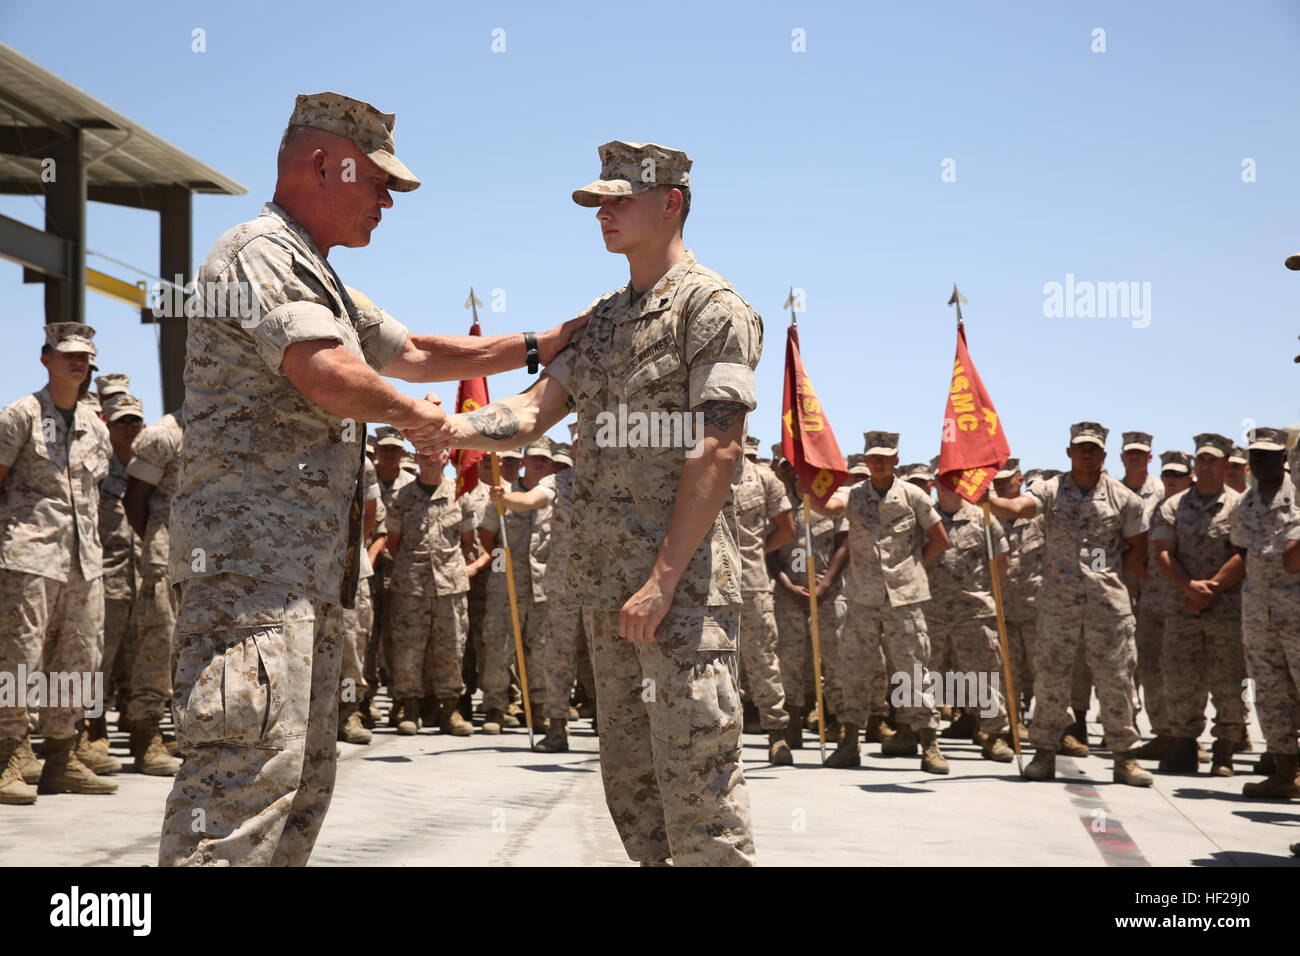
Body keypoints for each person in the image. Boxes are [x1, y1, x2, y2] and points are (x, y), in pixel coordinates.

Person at [157, 91, 584, 866]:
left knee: (295, 794)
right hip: (250, 582)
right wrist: (435, 423)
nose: (388, 200)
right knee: (239, 800)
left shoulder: (316, 274)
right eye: (377, 180)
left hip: (304, 583)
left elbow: (413, 349)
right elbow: (328, 374)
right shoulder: (256, 254)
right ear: (323, 164)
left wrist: (538, 343)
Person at [435, 140, 762, 865]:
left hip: (680, 596)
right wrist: (447, 425)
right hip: (608, 590)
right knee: (634, 793)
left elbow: (718, 449)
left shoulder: (713, 309)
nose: (604, 213)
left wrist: (662, 580)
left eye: (620, 199)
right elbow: (528, 413)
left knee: (699, 793)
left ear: (671, 201)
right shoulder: (605, 319)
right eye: (598, 202)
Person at [987, 422, 1153, 786]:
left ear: (1104, 455)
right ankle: (1044, 754)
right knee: (1050, 678)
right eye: (1081, 448)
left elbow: (1137, 552)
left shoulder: (1123, 498)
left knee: (1116, 679)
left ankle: (1125, 758)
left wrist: (1104, 579)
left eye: (1093, 449)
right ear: (1068, 453)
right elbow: (1019, 507)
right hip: (1057, 603)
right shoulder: (1049, 489)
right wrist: (989, 500)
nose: (1087, 454)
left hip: (1107, 606)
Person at [0, 323, 115, 805]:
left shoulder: (95, 425)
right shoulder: (21, 416)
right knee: (18, 660)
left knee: (78, 661)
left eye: (85, 357)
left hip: (84, 562)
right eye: (68, 355)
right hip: (29, 554)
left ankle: (62, 756)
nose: (77, 363)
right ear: (46, 358)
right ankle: (9, 752)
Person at [806, 431, 950, 772]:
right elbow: (828, 507)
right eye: (873, 457)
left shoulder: (913, 495)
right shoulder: (853, 495)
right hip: (862, 599)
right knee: (854, 670)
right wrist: (808, 490)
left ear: (897, 459)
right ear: (866, 460)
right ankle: (848, 743)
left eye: (885, 456)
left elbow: (939, 539)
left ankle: (929, 744)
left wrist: (914, 570)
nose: (879, 462)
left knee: (915, 671)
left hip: (905, 600)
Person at [1151, 436, 1244, 775]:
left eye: (1213, 460)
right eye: (1201, 460)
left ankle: (1226, 748)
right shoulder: (1173, 506)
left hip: (1227, 611)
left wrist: (1212, 589)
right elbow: (1163, 551)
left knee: (1229, 680)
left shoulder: (1241, 506)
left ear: (1225, 466)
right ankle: (1184, 744)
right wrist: (1190, 587)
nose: (1206, 466)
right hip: (1182, 608)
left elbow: (1244, 553)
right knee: (1179, 678)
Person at [386, 450, 477, 736]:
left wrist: (451, 569)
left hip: (450, 586)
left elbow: (468, 542)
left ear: (446, 457)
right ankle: (409, 708)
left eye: (435, 453)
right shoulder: (401, 497)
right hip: (410, 586)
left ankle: (450, 710)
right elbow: (393, 543)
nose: (429, 458)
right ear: (415, 457)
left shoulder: (461, 494)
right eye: (424, 453)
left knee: (451, 648)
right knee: (408, 650)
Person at [1230, 428, 1300, 798]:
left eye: (1268, 456)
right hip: (1258, 615)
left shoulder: (1299, 497)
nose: (1260, 462)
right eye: (1254, 456)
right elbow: (1242, 554)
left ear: (1283, 459)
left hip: (1296, 615)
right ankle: (1285, 770)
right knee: (1270, 694)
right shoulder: (1245, 503)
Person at [123, 406, 187, 776]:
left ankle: (183, 732)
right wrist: (155, 544)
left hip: (209, 558)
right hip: (165, 555)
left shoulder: (226, 425)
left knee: (198, 649)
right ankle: (146, 735)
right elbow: (134, 500)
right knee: (157, 643)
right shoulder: (164, 434)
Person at [733, 435, 795, 764]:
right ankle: (724, 737)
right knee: (713, 666)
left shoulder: (763, 478)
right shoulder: (697, 468)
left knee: (763, 661)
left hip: (752, 584)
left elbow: (786, 529)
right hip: (706, 586)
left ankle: (776, 735)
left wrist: (754, 552)